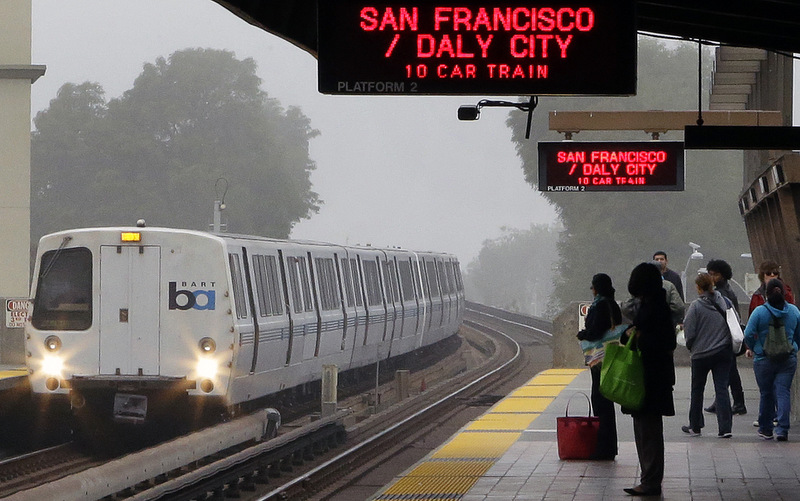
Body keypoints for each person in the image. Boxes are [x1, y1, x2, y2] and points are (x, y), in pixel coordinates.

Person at [620, 263, 676, 497]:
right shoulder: (652, 304)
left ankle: (651, 480)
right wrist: (631, 334)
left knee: (648, 432)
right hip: (650, 377)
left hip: (651, 378)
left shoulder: (656, 308)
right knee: (644, 430)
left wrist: (638, 337)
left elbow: (665, 342)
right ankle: (648, 478)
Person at [744, 279, 800, 441]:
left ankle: (766, 428)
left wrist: (757, 348)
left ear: (766, 294)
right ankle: (782, 429)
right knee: (783, 392)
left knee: (766, 393)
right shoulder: (794, 312)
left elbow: (748, 333)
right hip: (787, 358)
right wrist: (794, 346)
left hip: (764, 359)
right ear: (783, 293)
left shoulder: (760, 312)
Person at [682, 273, 734, 438]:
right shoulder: (725, 302)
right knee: (722, 389)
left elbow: (689, 332)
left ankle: (695, 426)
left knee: (697, 390)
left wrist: (691, 346)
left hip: (701, 354)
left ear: (698, 287)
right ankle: (725, 428)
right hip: (723, 352)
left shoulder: (696, 306)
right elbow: (734, 322)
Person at [577, 273, 623, 460]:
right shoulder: (612, 304)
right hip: (610, 356)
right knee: (606, 401)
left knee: (600, 398)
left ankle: (603, 448)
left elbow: (596, 331)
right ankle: (609, 446)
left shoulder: (600, 305)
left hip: (599, 358)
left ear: (596, 288)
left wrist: (583, 334)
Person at [703, 259, 747, 416]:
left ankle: (737, 402)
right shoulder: (727, 290)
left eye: (714, 274)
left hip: (725, 336)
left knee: (730, 372)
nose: (711, 277)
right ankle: (735, 402)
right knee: (730, 371)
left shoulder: (723, 293)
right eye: (710, 274)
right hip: (728, 336)